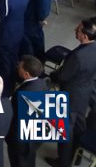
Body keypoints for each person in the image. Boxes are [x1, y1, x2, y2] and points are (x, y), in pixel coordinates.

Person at [51, 18, 96, 167]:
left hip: (70, 95)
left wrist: (54, 75)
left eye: (78, 29)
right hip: (85, 92)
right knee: (79, 126)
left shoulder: (78, 56)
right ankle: (76, 156)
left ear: (85, 36)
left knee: (65, 130)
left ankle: (63, 161)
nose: (75, 30)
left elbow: (63, 76)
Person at [7, 56, 48, 167]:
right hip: (35, 134)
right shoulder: (42, 83)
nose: (17, 67)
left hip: (21, 141)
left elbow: (13, 115)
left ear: (26, 74)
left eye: (19, 67)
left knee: (18, 162)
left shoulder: (23, 94)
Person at [0, 0, 31, 90]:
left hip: (5, 35)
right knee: (13, 59)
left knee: (2, 64)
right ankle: (12, 83)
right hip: (18, 30)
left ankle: (4, 90)